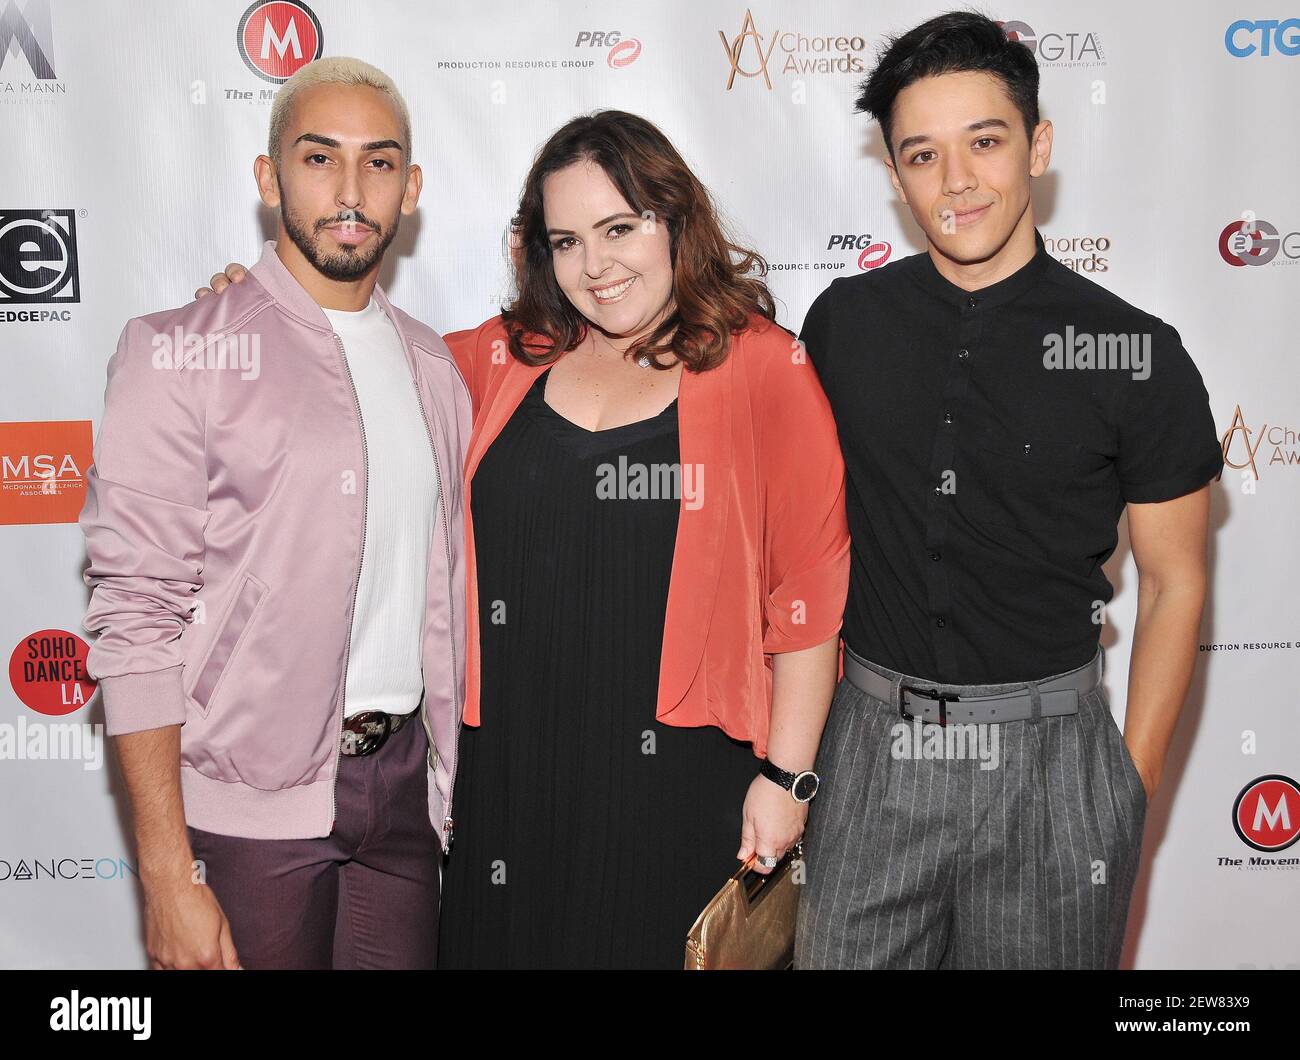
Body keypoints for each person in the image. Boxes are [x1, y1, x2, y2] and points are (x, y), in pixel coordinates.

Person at [203, 109, 850, 968]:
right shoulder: (497, 360)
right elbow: (352, 355)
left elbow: (807, 596)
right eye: (567, 240)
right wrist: (258, 312)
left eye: (620, 228)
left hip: (680, 783)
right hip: (507, 776)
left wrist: (786, 782)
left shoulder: (765, 366)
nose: (597, 266)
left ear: (676, 221)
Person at [794, 12, 1223, 969]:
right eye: (922, 154)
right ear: (895, 173)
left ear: (1038, 145)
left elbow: (1178, 581)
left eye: (984, 142)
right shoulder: (842, 324)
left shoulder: (1135, 354)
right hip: (870, 748)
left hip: (1053, 766)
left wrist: (1128, 785)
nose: (956, 182)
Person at [80, 57, 471, 970]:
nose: (348, 189)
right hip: (241, 807)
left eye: (378, 163)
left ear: (410, 189)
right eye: (317, 158)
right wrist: (170, 878)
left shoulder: (434, 366)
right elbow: (135, 618)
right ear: (268, 179)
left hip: (405, 795)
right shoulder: (180, 352)